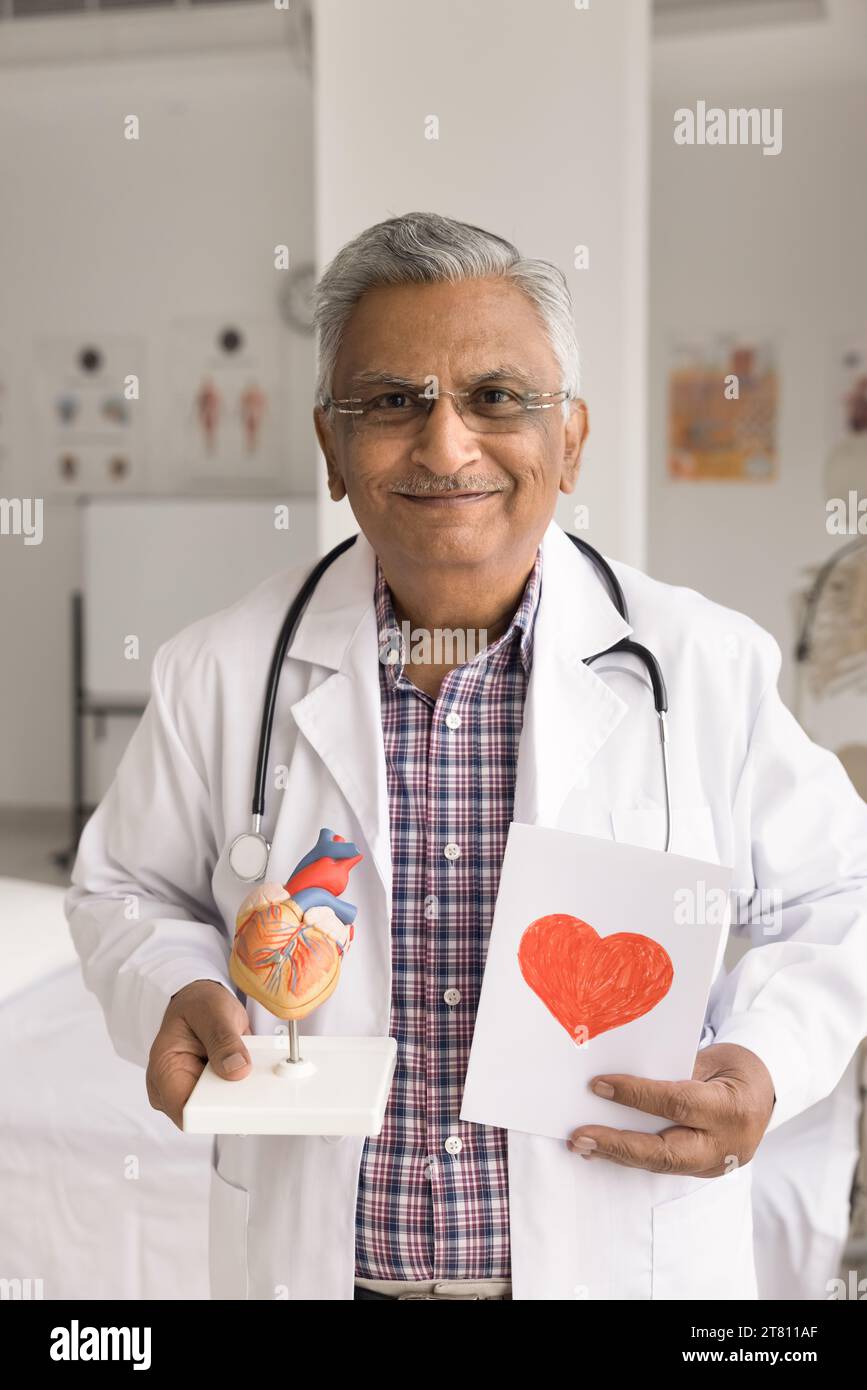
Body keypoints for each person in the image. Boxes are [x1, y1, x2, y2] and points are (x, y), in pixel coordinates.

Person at [66, 212, 867, 1301]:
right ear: (332, 451)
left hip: (624, 1265)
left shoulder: (704, 666)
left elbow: (840, 892)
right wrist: (174, 984)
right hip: (317, 1269)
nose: (447, 446)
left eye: (497, 397)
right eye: (392, 402)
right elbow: (126, 891)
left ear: (571, 439)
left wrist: (769, 1058)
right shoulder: (221, 669)